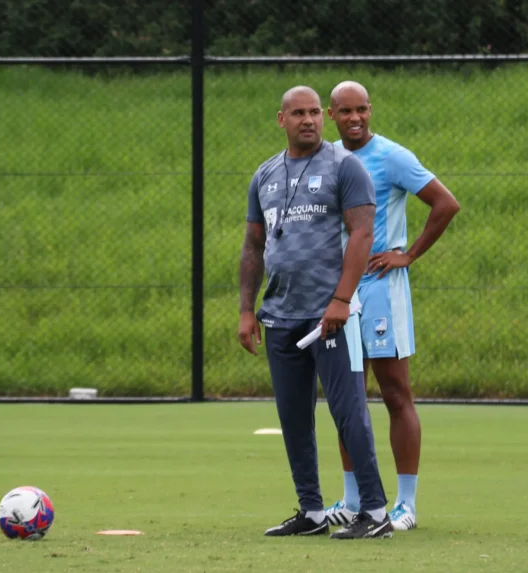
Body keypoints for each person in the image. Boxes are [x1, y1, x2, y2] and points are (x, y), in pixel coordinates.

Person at [237, 85, 393, 540]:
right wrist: (247, 310)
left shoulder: (345, 166)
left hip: (330, 315)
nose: (308, 120)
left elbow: (362, 235)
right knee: (293, 417)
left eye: (313, 113)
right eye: (298, 113)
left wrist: (342, 300)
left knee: (349, 412)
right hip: (280, 315)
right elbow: (253, 245)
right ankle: (312, 511)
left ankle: (376, 510)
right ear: (281, 119)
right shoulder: (264, 174)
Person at [323, 81, 460, 531]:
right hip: (340, 290)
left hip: (382, 287)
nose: (356, 118)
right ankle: (352, 497)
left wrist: (410, 253)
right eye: (346, 111)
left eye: (362, 109)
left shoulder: (392, 156)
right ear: (331, 115)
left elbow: (445, 203)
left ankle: (406, 504)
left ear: (370, 110)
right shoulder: (327, 160)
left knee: (395, 392)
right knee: (347, 396)